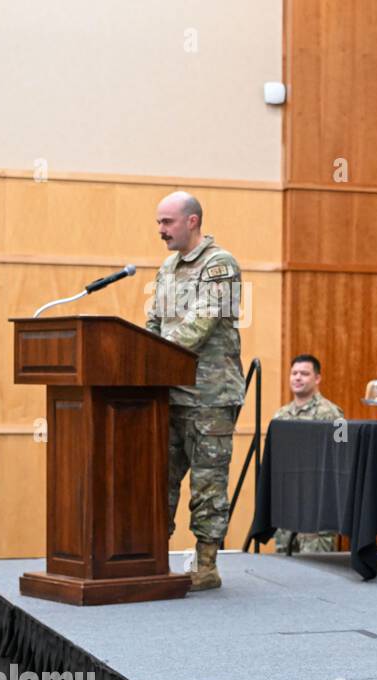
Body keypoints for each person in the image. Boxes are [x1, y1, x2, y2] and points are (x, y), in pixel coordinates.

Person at [145, 191, 245, 591]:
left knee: (207, 483)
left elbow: (199, 327)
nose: (161, 230)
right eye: (158, 223)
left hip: (210, 397)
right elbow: (153, 322)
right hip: (169, 393)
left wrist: (153, 354)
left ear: (192, 221)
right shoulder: (167, 268)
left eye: (167, 222)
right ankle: (151, 557)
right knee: (159, 479)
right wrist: (142, 356)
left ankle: (206, 566)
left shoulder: (221, 265)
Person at [272, 354, 345, 554]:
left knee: (316, 567)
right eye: (294, 373)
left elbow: (343, 450)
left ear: (317, 378)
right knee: (282, 565)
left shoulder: (333, 414)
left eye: (304, 374)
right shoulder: (280, 416)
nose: (297, 378)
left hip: (318, 503)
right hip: (287, 504)